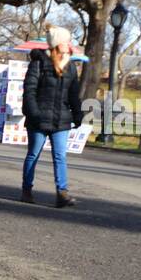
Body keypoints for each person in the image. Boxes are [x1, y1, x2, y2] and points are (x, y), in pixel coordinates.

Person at [21, 25, 83, 207]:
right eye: (65, 41)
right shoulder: (39, 63)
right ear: (56, 44)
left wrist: (77, 114)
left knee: (60, 156)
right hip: (38, 119)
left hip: (61, 119)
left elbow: (73, 94)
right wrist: (34, 113)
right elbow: (29, 91)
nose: (68, 44)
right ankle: (26, 190)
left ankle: (62, 193)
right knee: (33, 154)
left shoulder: (70, 67)